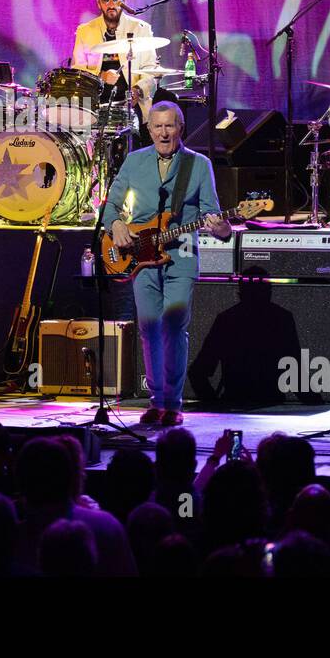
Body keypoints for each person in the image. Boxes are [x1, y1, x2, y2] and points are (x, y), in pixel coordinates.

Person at [107, 102, 231, 426]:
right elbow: (111, 205)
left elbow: (213, 215)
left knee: (174, 326)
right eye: (157, 127)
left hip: (183, 252)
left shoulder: (198, 165)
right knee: (149, 327)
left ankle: (172, 405)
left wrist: (220, 227)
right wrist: (116, 225)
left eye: (170, 126)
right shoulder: (134, 162)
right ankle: (157, 401)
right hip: (141, 254)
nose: (163, 133)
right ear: (148, 129)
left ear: (181, 128)